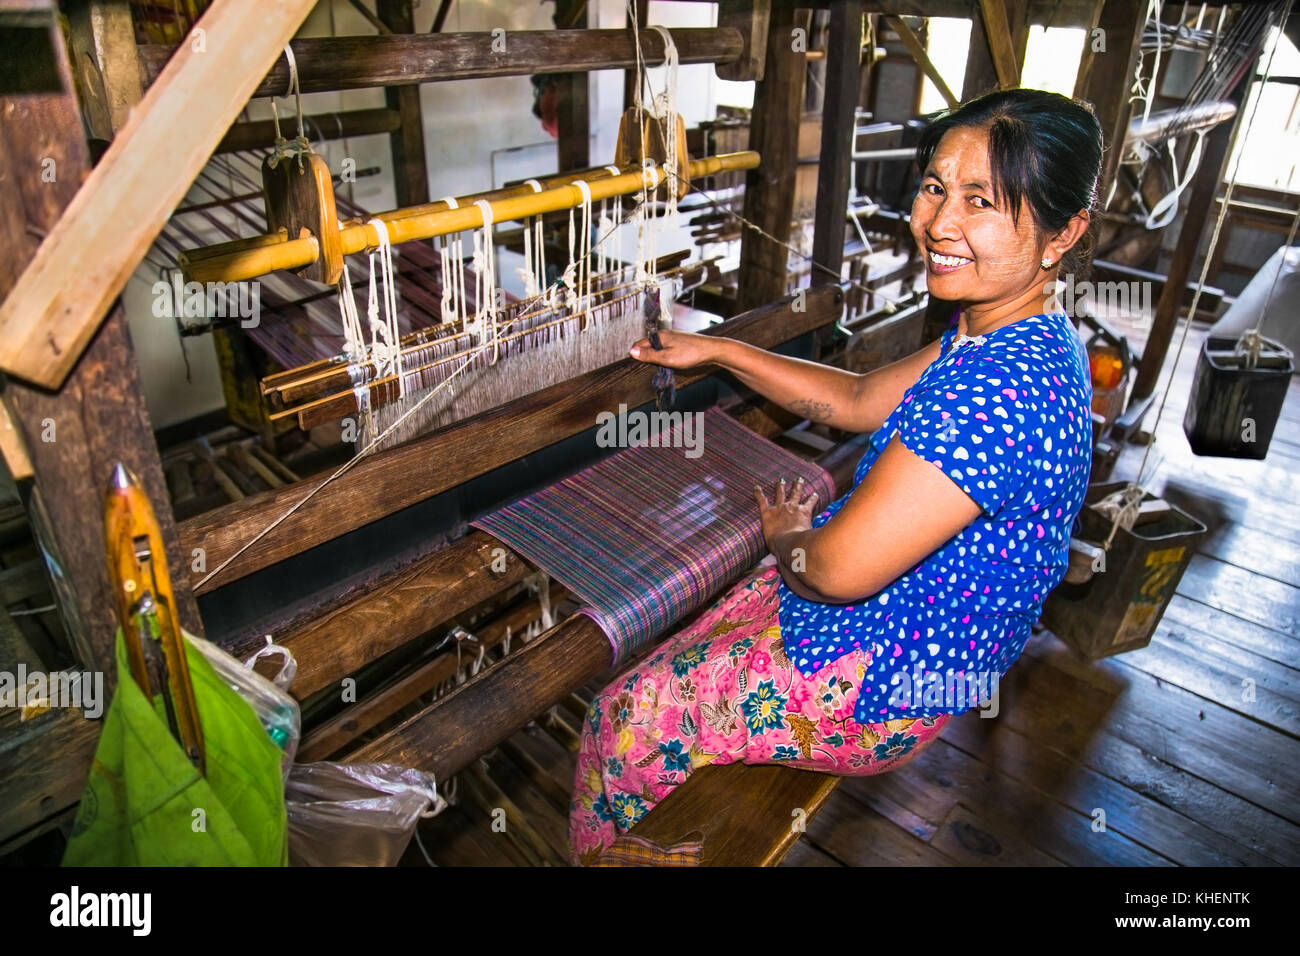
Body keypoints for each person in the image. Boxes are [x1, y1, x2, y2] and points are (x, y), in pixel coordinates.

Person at [567, 88, 1100, 866]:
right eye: (934, 187)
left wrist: (789, 536)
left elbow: (837, 570)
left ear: (1064, 233)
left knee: (621, 716)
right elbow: (853, 399)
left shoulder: (1000, 394)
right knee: (720, 615)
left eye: (982, 202)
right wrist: (719, 349)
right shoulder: (1017, 334)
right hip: (933, 648)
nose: (938, 224)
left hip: (883, 690)